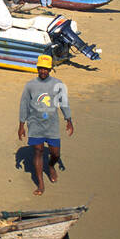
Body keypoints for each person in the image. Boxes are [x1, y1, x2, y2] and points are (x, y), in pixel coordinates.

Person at [18, 54, 74, 196]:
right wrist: (21, 124)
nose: (43, 71)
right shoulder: (30, 85)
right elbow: (24, 104)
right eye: (41, 69)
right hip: (35, 123)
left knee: (55, 153)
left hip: (52, 124)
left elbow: (64, 103)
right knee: (38, 151)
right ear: (37, 68)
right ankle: (40, 184)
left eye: (46, 69)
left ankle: (50, 166)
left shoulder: (58, 84)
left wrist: (69, 120)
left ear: (50, 69)